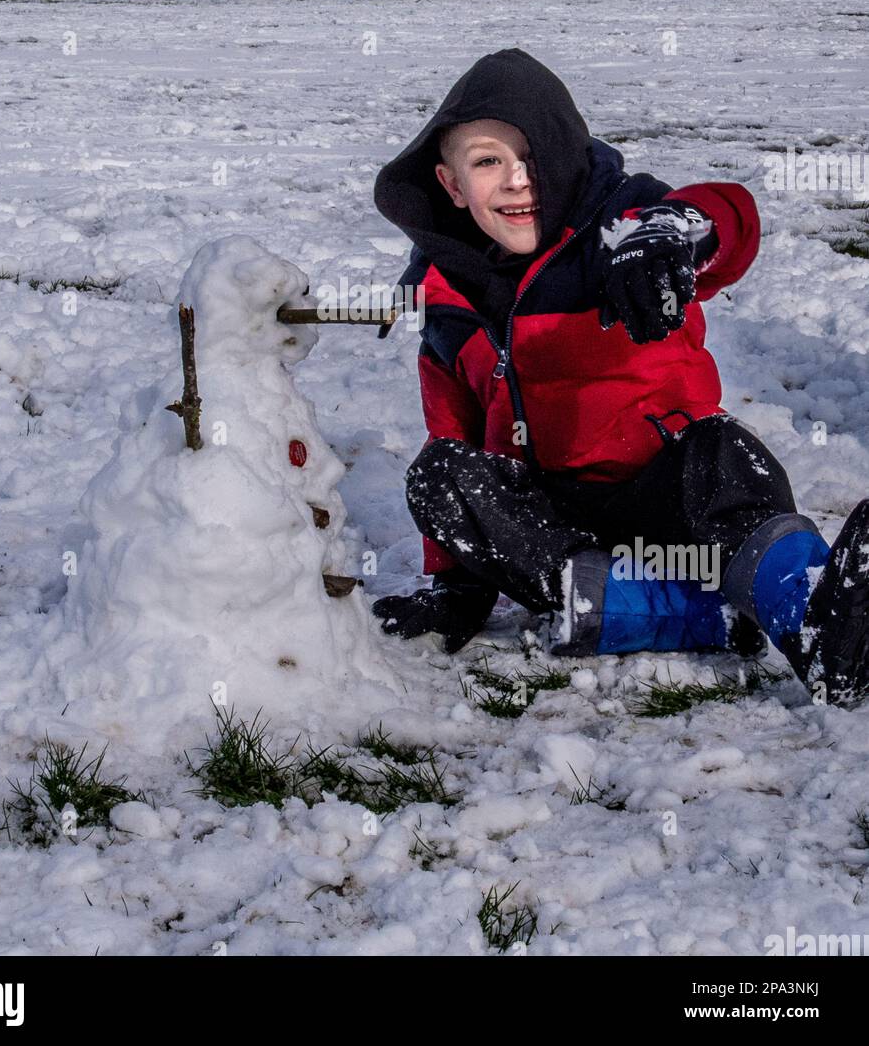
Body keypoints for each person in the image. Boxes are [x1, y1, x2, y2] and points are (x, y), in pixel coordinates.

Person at [370, 48, 869, 706]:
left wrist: (671, 232)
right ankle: (697, 613)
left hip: (670, 495)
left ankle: (809, 617)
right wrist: (456, 590)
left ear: (568, 158)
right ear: (453, 185)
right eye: (489, 161)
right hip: (558, 531)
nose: (519, 181)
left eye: (535, 156)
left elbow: (733, 216)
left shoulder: (624, 231)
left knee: (726, 453)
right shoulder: (450, 302)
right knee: (441, 473)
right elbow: (452, 426)